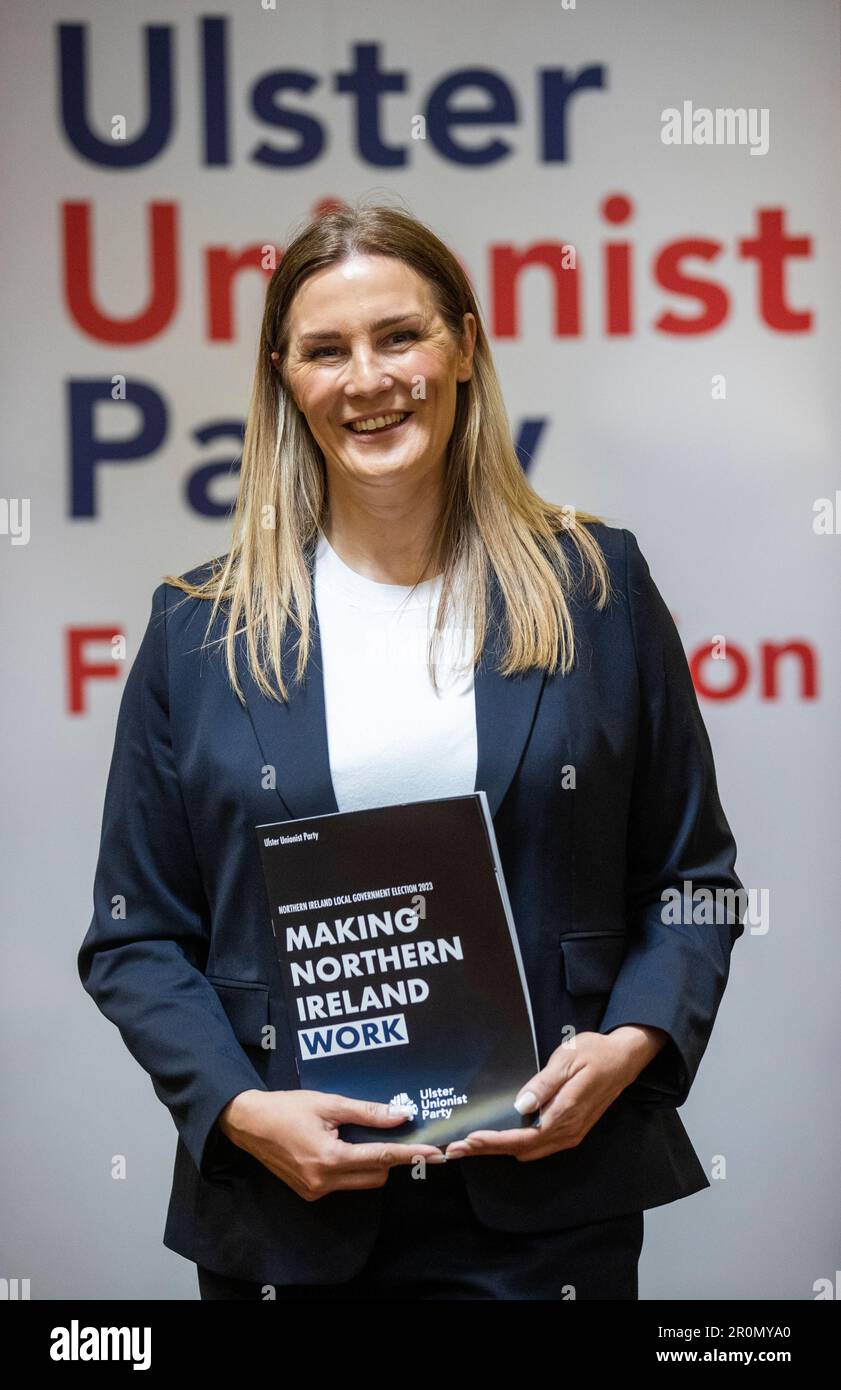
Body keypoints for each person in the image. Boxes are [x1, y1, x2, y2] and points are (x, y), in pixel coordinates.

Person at [78, 200, 745, 1301]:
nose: (368, 378)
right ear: (284, 380)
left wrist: (632, 1040)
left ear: (465, 349)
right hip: (290, 1217)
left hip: (546, 1218)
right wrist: (243, 1112)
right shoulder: (198, 629)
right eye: (326, 350)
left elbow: (696, 883)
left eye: (401, 336)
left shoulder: (596, 587)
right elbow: (134, 936)